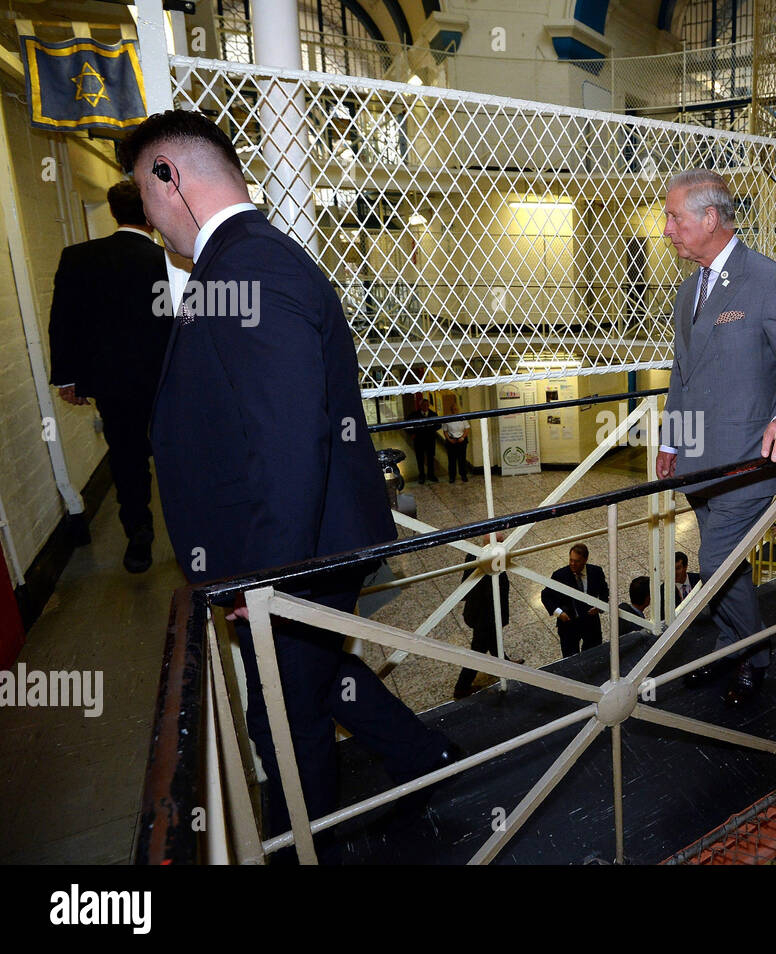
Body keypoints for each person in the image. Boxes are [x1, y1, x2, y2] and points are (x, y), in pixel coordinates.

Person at [121, 110, 460, 853]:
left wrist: (267, 578)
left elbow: (286, 441)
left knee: (282, 717)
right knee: (313, 681)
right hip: (296, 546)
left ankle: (304, 846)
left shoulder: (246, 265)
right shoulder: (246, 258)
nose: (150, 223)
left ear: (169, 178)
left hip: (292, 555)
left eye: (144, 198)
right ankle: (425, 756)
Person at [655, 169, 776, 705]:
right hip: (699, 463)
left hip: (750, 463)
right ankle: (731, 647)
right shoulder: (689, 291)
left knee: (714, 565)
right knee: (730, 568)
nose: (666, 230)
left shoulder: (770, 281)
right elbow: (683, 375)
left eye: (673, 217)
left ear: (710, 218)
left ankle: (755, 655)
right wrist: (670, 441)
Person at [48, 180, 171, 573]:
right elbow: (187, 321)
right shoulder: (170, 262)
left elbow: (63, 321)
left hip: (114, 383)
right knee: (179, 453)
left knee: (126, 458)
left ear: (114, 213)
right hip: (167, 379)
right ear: (150, 216)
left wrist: (69, 378)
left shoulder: (79, 257)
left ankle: (139, 539)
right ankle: (195, 534)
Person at [454, 537, 511, 699]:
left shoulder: (474, 555)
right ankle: (461, 687)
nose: (504, 545)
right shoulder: (488, 563)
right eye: (501, 541)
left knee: (494, 641)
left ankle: (506, 664)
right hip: (485, 617)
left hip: (483, 614)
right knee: (478, 651)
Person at [541, 543, 609, 657]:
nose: (572, 564)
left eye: (576, 561)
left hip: (591, 623)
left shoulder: (596, 572)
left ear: (585, 559)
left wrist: (599, 607)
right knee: (570, 658)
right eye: (571, 560)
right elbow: (546, 596)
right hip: (568, 625)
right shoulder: (560, 575)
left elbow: (604, 592)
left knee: (594, 655)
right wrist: (559, 613)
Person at [409, 390, 439, 483]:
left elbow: (438, 425)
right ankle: (421, 475)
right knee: (420, 459)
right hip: (419, 440)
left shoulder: (434, 415)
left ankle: (431, 475)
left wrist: (431, 430)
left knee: (430, 458)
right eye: (423, 405)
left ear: (428, 405)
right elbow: (408, 426)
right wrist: (413, 434)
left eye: (427, 405)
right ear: (420, 406)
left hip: (430, 440)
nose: (425, 407)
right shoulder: (414, 415)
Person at [443, 394, 470, 482]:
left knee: (462, 459)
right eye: (454, 409)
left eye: (456, 409)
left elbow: (467, 428)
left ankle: (463, 475)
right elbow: (445, 431)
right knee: (452, 460)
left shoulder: (463, 418)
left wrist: (462, 437)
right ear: (451, 410)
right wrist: (449, 439)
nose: (455, 410)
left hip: (462, 440)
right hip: (451, 441)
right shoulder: (447, 419)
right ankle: (452, 476)